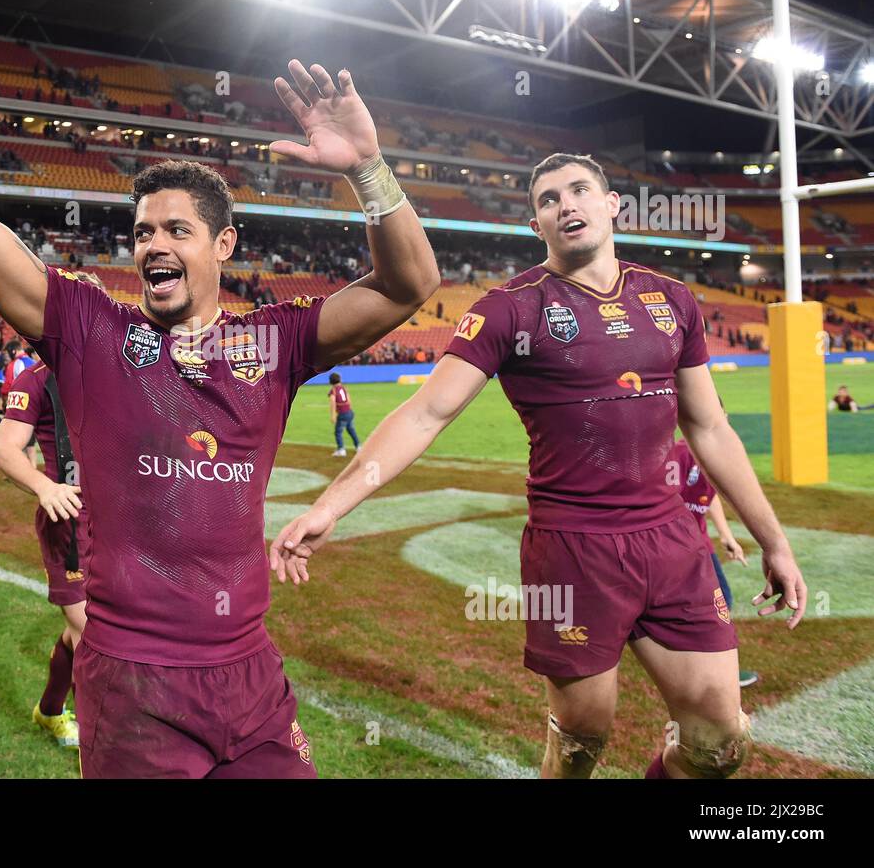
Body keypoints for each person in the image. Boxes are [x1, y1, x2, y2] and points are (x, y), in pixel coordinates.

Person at [0, 0, 439, 776]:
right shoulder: (87, 329)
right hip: (132, 681)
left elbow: (411, 284)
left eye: (177, 231)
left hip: (251, 672)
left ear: (223, 247)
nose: (153, 244)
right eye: (143, 231)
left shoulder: (274, 340)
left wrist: (367, 167)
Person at [272, 153, 807, 780]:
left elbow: (711, 427)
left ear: (612, 206)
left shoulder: (671, 300)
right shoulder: (510, 309)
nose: (567, 205)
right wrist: (329, 507)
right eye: (549, 199)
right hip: (575, 552)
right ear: (537, 224)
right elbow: (425, 415)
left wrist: (775, 541)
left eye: (581, 190)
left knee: (721, 744)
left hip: (673, 544)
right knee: (582, 744)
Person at [0, 271, 106, 749]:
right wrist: (44, 486)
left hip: (121, 522)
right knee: (94, 633)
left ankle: (49, 710)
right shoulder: (36, 377)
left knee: (84, 631)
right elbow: (5, 449)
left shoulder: (122, 368)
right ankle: (103, 740)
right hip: (70, 522)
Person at [671, 435, 759, 688]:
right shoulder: (680, 453)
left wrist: (725, 535)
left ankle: (707, 671)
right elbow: (663, 495)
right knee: (711, 606)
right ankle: (713, 675)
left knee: (719, 603)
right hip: (676, 544)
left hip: (698, 543)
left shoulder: (710, 451)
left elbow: (710, 495)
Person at [327, 372, 359, 457]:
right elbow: (349, 400)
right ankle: (358, 446)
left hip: (342, 414)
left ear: (330, 381)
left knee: (338, 432)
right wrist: (349, 410)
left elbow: (332, 403)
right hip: (349, 412)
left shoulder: (333, 391)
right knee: (351, 430)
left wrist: (333, 415)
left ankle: (341, 449)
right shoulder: (343, 388)